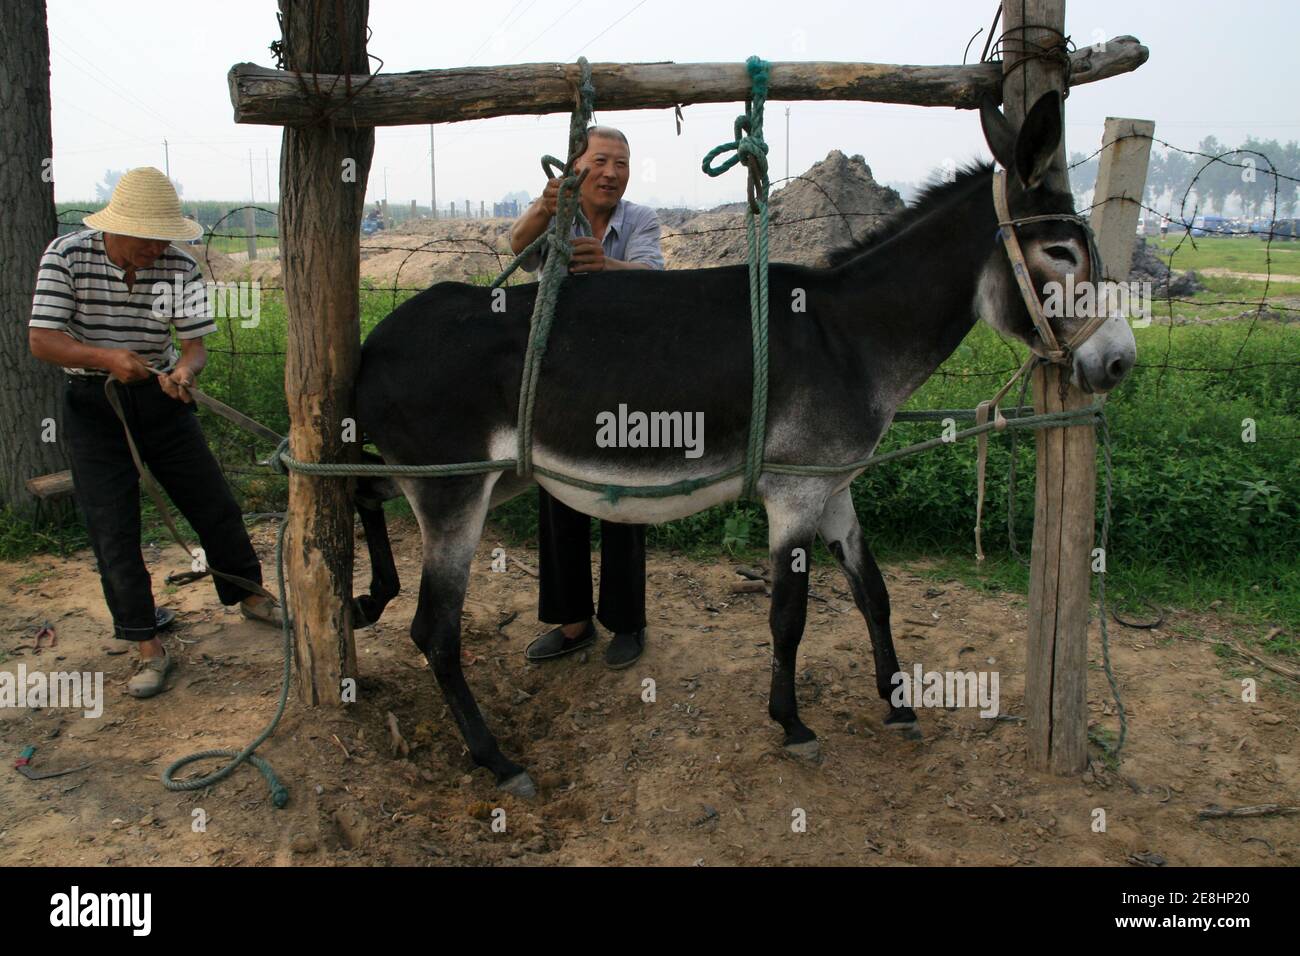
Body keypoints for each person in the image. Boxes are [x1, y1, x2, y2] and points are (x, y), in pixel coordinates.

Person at [28, 167, 282, 699]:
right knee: (112, 526)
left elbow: (194, 345)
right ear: (115, 227)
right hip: (94, 402)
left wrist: (188, 371)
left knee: (212, 501)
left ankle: (249, 594)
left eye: (163, 237)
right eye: (147, 238)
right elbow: (44, 341)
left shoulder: (179, 267)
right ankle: (146, 643)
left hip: (161, 395)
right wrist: (106, 358)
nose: (156, 248)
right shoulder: (66, 256)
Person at [508, 126, 664, 670]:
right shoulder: (557, 209)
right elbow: (517, 249)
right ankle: (572, 621)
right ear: (576, 167)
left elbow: (653, 278)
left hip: (624, 381)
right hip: (565, 381)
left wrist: (606, 267)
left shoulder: (640, 220)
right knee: (559, 492)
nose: (612, 173)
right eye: (600, 160)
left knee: (623, 498)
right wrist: (542, 207)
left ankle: (626, 621)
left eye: (621, 163)